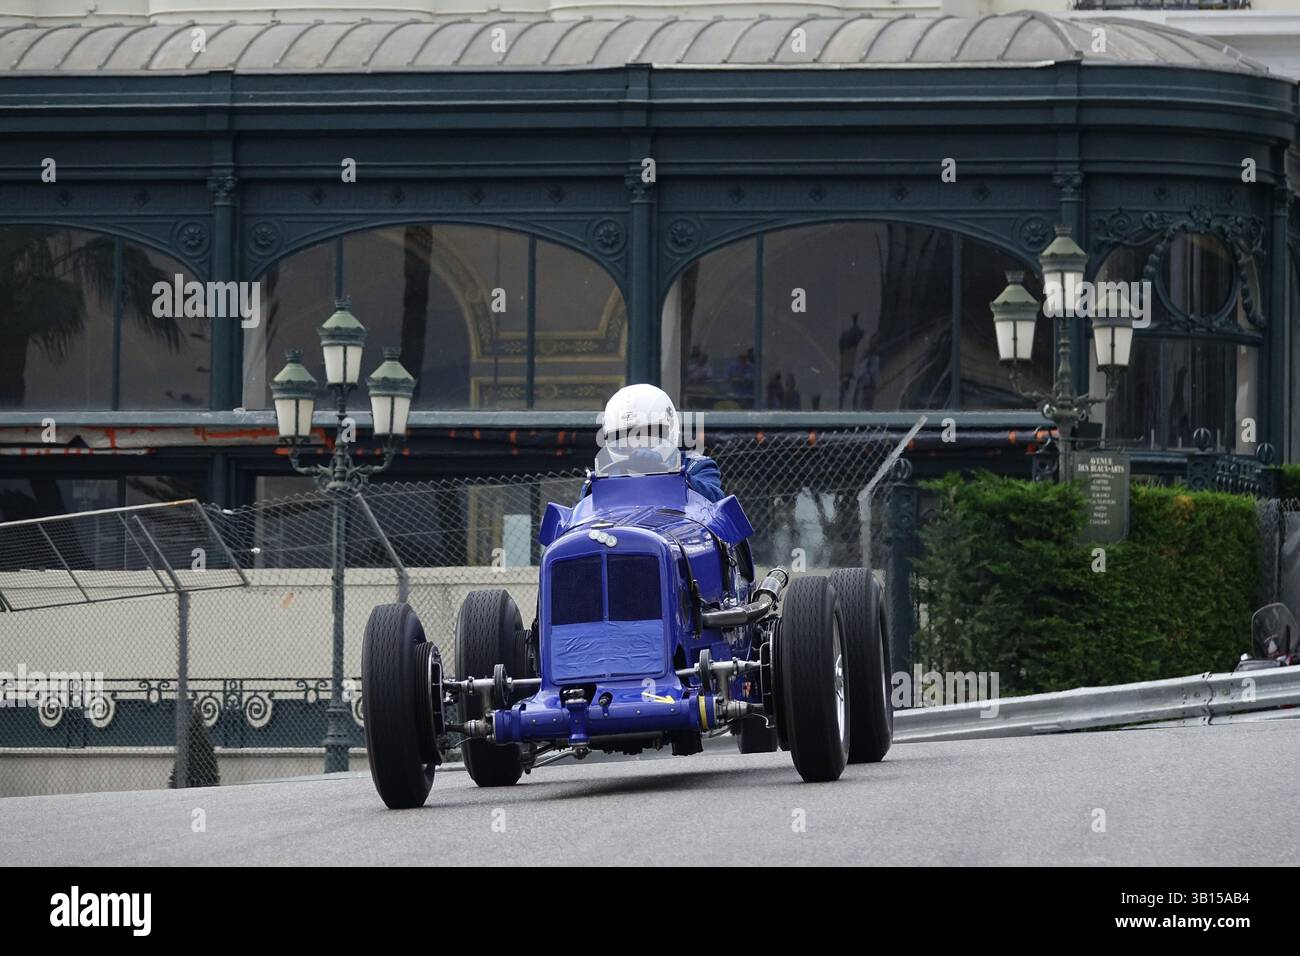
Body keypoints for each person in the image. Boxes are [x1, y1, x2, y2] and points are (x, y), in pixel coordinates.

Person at [592, 384, 725, 502]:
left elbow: (715, 502)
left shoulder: (695, 466)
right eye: (623, 436)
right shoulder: (603, 475)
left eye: (645, 434)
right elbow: (584, 515)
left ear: (668, 429)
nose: (634, 444)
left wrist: (669, 473)